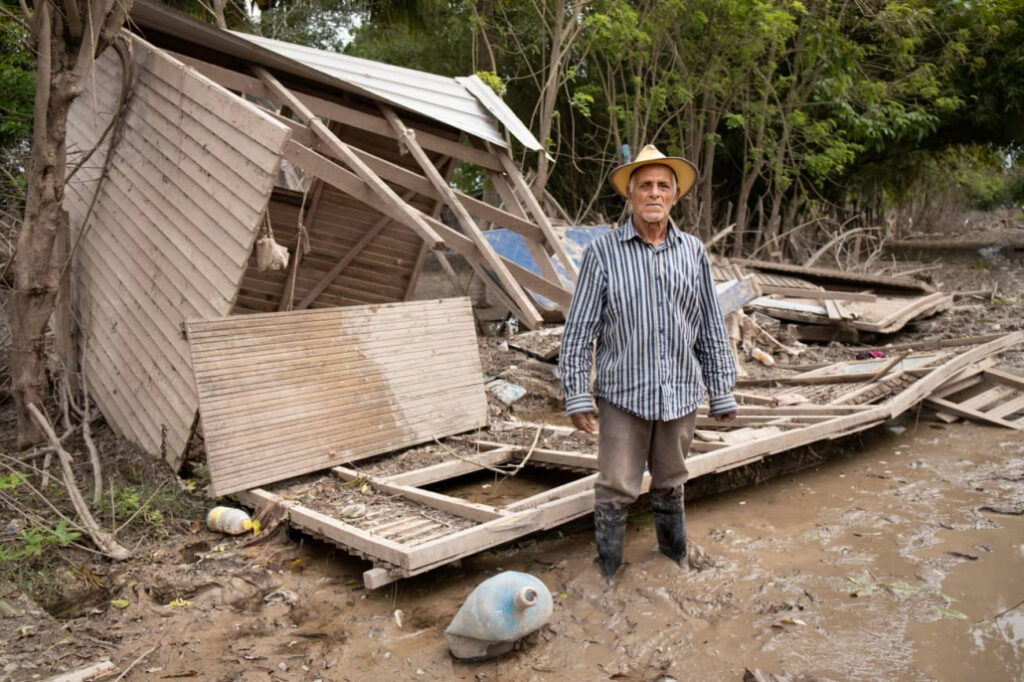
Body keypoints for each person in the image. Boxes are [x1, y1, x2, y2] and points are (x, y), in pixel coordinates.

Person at [559, 144, 738, 585]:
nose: (654, 194)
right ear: (631, 196)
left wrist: (722, 390)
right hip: (624, 394)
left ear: (675, 196)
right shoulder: (603, 253)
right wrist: (578, 393)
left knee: (671, 481)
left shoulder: (693, 252)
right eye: (645, 186)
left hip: (679, 392)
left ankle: (673, 562)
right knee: (617, 487)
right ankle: (608, 577)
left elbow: (710, 325)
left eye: (663, 186)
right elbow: (580, 330)